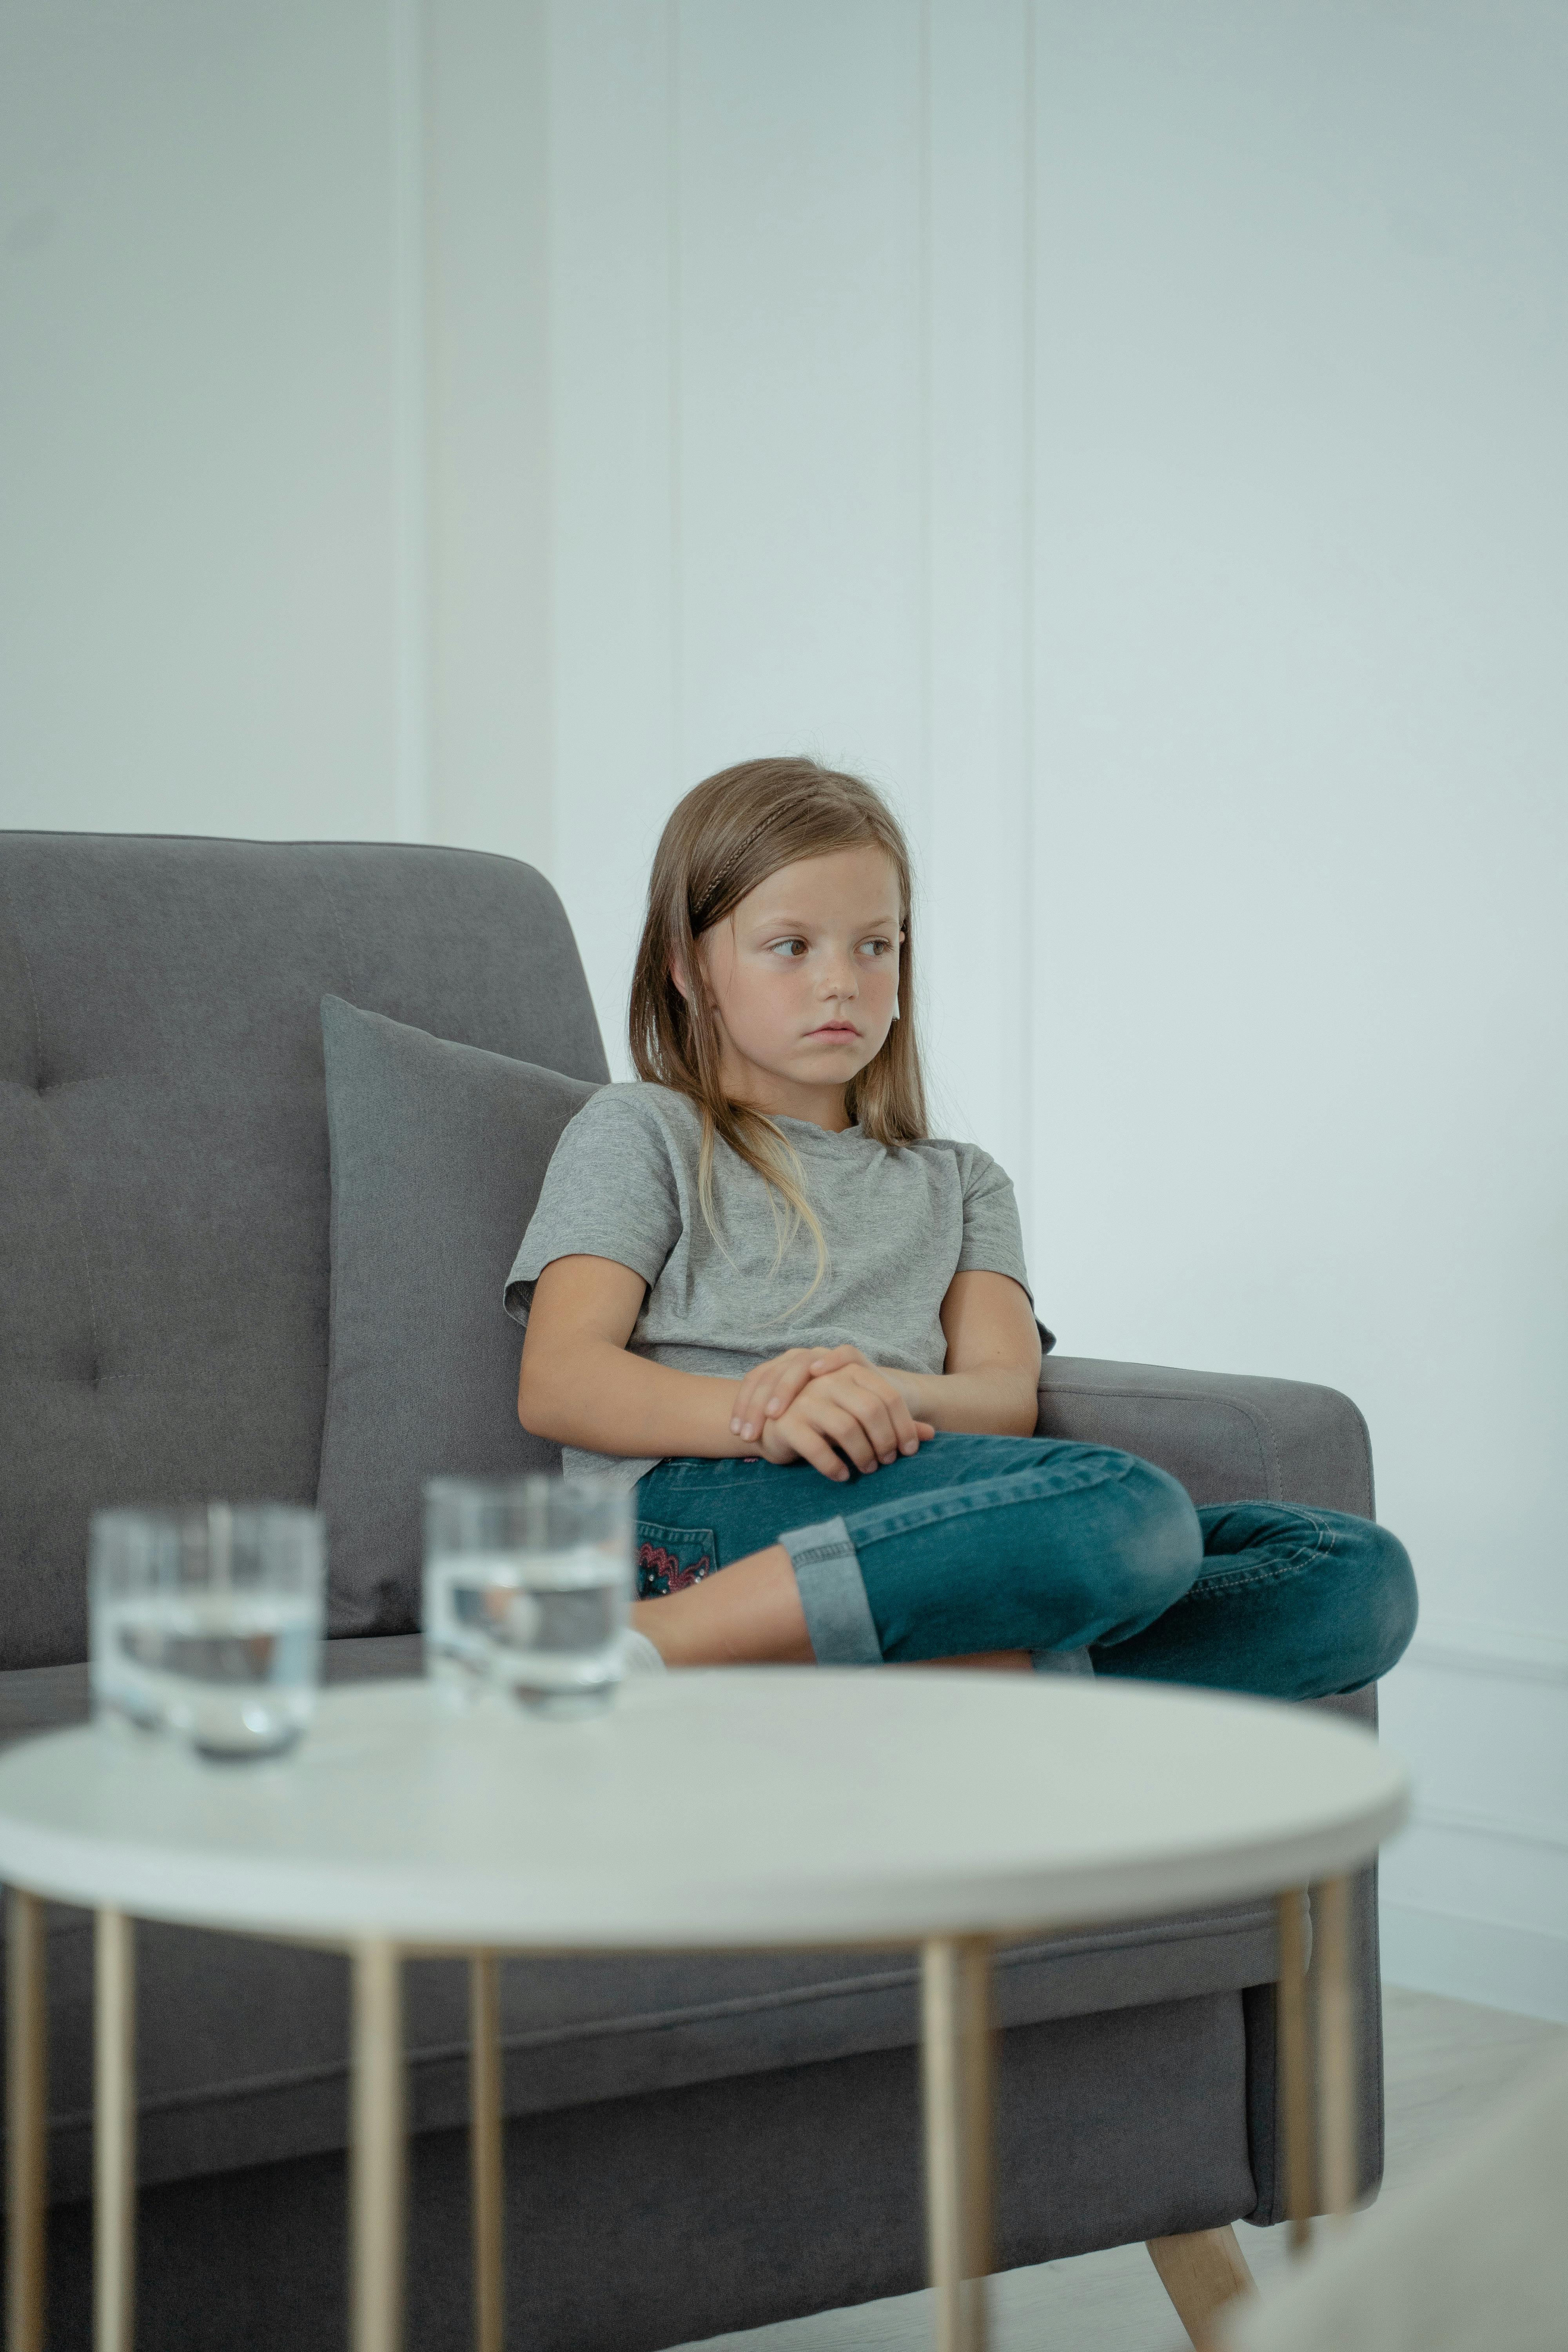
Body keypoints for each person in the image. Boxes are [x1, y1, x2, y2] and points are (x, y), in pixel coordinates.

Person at [507, 756, 1416, 1689]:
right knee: (1126, 1510)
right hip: (696, 1499)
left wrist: (871, 1392)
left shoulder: (963, 1183)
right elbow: (560, 1380)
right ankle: (663, 1636)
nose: (842, 984)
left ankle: (921, 1673)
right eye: (790, 947)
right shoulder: (642, 1129)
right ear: (689, 968)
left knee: (1351, 1575)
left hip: (905, 1495)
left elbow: (1000, 1398)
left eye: (874, 945)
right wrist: (775, 1418)